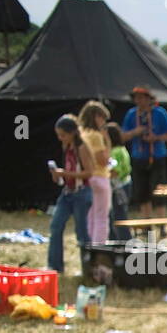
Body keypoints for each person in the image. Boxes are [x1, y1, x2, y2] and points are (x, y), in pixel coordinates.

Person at [47, 115, 95, 274]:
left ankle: (88, 269)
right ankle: (55, 267)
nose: (60, 139)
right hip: (67, 193)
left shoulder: (82, 147)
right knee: (55, 226)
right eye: (58, 135)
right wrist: (58, 175)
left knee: (81, 233)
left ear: (73, 132)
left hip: (82, 194)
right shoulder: (66, 147)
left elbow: (89, 172)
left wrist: (65, 173)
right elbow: (68, 172)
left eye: (63, 135)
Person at [121, 86, 167, 217]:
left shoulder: (159, 113)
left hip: (157, 156)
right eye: (136, 98)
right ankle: (147, 224)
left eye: (141, 98)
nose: (138, 101)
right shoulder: (131, 114)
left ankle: (161, 224)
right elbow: (122, 136)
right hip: (139, 157)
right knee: (142, 192)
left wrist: (156, 138)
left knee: (159, 190)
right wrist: (135, 132)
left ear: (148, 98)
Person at [77, 100, 111, 245]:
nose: (103, 122)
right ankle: (100, 249)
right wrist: (107, 140)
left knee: (90, 217)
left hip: (87, 179)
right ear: (96, 117)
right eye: (102, 118)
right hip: (100, 177)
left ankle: (89, 248)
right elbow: (103, 160)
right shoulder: (96, 136)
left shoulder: (81, 134)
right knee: (102, 217)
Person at [106, 123, 133, 241]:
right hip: (125, 184)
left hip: (118, 188)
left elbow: (115, 172)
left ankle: (123, 242)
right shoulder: (123, 149)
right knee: (118, 215)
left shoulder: (115, 152)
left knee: (118, 216)